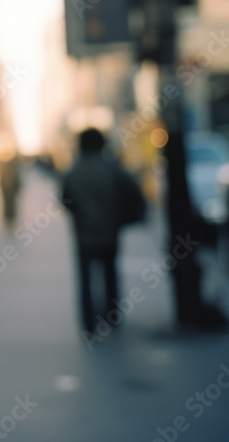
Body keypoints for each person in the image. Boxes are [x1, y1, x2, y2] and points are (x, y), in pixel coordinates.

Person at [61, 128, 146, 336]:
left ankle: (89, 324)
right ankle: (112, 316)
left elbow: (66, 200)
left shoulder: (74, 172)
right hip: (110, 232)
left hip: (84, 235)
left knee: (85, 281)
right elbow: (133, 193)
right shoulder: (112, 170)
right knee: (110, 274)